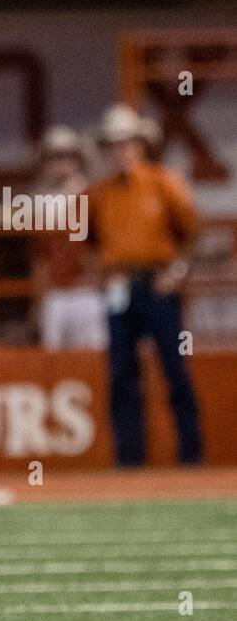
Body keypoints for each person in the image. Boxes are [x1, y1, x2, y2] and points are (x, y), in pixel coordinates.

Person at [87, 104, 202, 466]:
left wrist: (178, 270)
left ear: (139, 144)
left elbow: (193, 234)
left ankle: (191, 458)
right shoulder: (97, 194)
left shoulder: (164, 182)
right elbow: (86, 242)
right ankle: (129, 461)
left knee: (175, 368)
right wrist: (102, 278)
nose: (120, 150)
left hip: (158, 284)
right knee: (121, 375)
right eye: (113, 144)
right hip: (121, 287)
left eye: (126, 143)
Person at [31, 125, 105, 350]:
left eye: (65, 156)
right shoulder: (39, 202)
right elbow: (40, 256)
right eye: (53, 157)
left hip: (88, 292)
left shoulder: (93, 196)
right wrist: (38, 298)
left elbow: (102, 245)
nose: (59, 164)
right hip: (55, 295)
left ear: (77, 159)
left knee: (93, 357)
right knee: (54, 360)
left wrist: (99, 280)